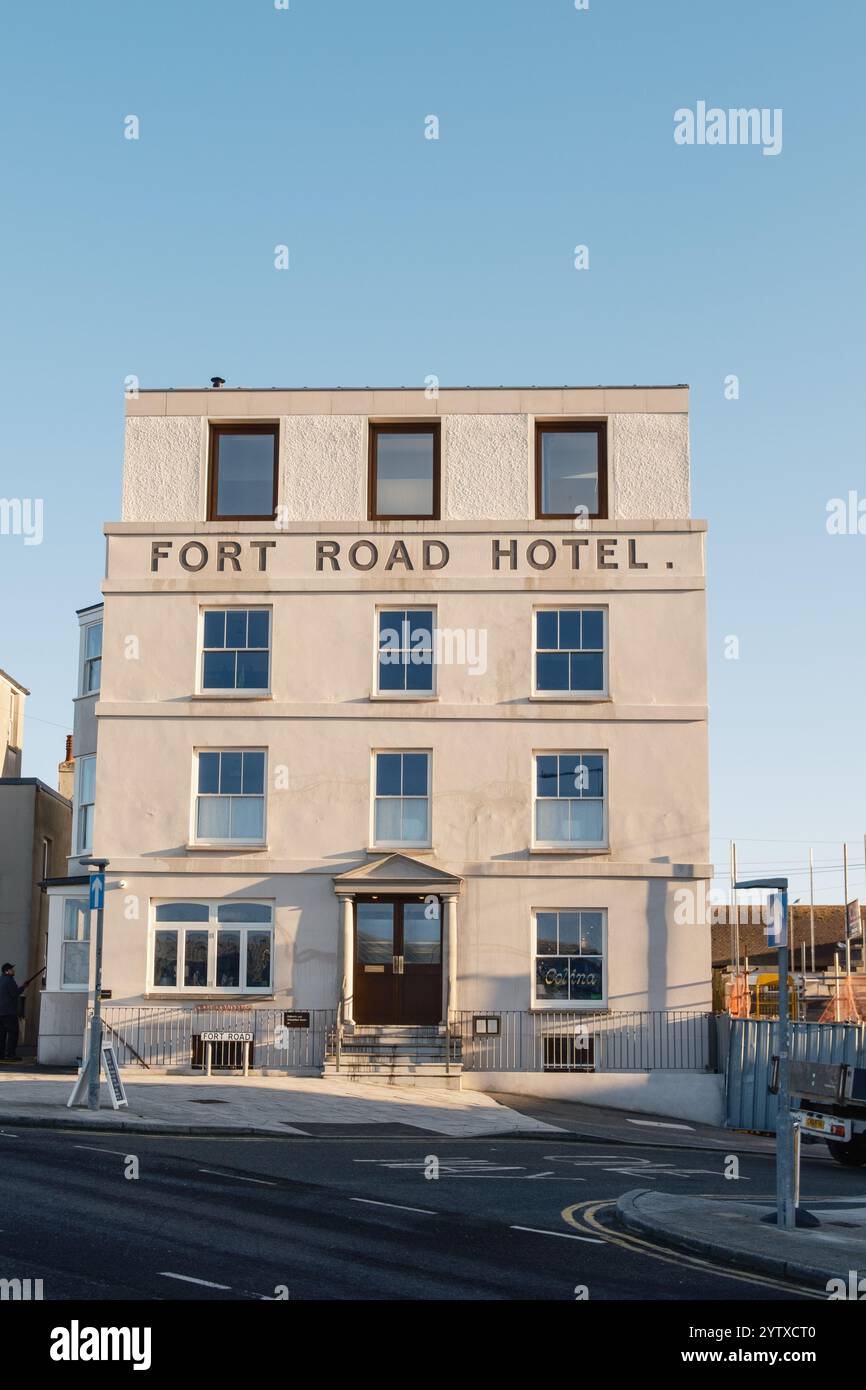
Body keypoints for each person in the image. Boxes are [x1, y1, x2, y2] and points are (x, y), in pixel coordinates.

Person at [0, 964, 23, 1062]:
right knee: (13, 1033)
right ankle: (10, 1054)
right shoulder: (10, 980)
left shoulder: (1, 979)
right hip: (9, 1012)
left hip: (1, 1012)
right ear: (6, 971)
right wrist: (23, 987)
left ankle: (1, 1055)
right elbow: (15, 993)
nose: (13, 970)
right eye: (11, 969)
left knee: (1, 1035)